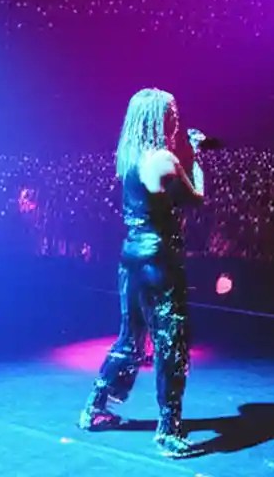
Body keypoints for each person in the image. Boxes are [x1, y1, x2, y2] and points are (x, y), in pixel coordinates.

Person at [78, 88, 206, 458]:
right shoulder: (163, 159)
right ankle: (169, 431)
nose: (176, 117)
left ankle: (94, 408)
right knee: (171, 344)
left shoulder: (128, 156)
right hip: (160, 262)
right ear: (156, 118)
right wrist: (195, 154)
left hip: (130, 258)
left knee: (129, 339)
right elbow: (195, 199)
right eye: (171, 111)